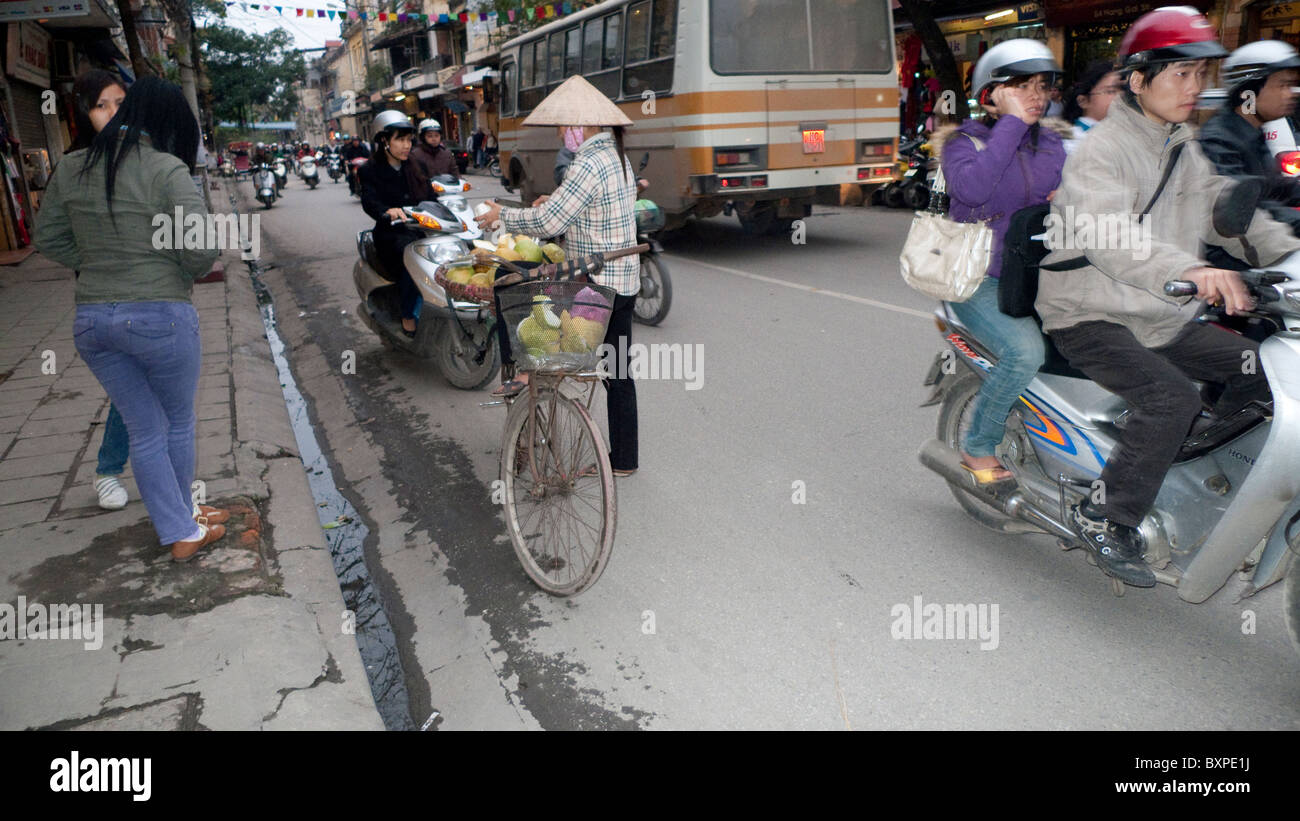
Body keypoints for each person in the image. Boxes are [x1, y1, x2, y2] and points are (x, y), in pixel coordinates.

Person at [1036, 8, 1300, 587]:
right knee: (1171, 400)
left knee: (1263, 374)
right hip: (1092, 313)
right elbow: (1111, 235)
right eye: (1179, 74)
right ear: (1138, 80)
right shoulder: (1100, 152)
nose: (1194, 87)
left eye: (1200, 73)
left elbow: (1223, 209)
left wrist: (1286, 259)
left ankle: (1181, 470)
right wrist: (1192, 269)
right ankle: (1106, 514)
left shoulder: (1183, 144)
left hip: (1160, 315)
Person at [35, 77, 231, 561]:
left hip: (93, 323)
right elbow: (202, 251)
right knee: (177, 423)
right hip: (159, 317)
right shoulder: (166, 169)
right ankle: (183, 526)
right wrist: (173, 268)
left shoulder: (71, 165)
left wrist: (98, 261)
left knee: (145, 430)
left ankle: (181, 527)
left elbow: (47, 238)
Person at [474, 75, 641, 477]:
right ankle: (624, 461)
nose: (564, 134)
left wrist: (503, 215)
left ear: (582, 126)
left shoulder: (589, 161)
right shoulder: (617, 156)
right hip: (625, 281)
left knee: (516, 294)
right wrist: (557, 202)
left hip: (596, 285)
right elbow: (584, 209)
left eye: (566, 127)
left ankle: (527, 372)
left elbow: (550, 220)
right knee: (618, 372)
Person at [934, 39, 1067, 486]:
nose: (1036, 95)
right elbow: (972, 189)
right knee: (1024, 352)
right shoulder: (961, 143)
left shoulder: (1052, 144)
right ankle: (978, 446)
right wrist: (1011, 125)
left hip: (1036, 275)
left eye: (1042, 86)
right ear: (990, 94)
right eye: (1021, 85)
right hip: (976, 278)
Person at [66, 70, 134, 511]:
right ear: (83, 114)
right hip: (106, 298)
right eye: (100, 105)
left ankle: (167, 474)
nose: (111, 114)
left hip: (157, 293)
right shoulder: (75, 167)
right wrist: (95, 264)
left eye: (118, 103)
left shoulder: (146, 156)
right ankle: (107, 471)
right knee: (130, 390)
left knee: (164, 390)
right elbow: (54, 235)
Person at [1199, 40, 1300, 265]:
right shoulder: (1219, 140)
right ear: (1249, 90)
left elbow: (1278, 188)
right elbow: (1247, 208)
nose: (1290, 93)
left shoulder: (1254, 132)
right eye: (1282, 85)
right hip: (1231, 264)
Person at [359, 110, 422, 335]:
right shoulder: (369, 170)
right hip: (390, 234)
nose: (406, 145)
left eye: (409, 140)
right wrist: (387, 212)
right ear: (384, 140)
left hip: (420, 227)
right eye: (400, 139)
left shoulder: (415, 165)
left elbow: (430, 194)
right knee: (412, 258)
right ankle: (406, 315)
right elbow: (369, 201)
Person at [1061, 59, 1122, 153]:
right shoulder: (1072, 143)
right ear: (1083, 101)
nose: (1119, 97)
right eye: (1111, 91)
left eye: (1122, 90)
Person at [406, 118, 457, 199]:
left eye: (437, 135)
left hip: (447, 194)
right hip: (425, 196)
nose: (434, 139)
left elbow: (454, 171)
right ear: (423, 137)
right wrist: (430, 185)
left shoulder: (446, 153)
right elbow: (418, 177)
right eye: (430, 136)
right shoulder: (415, 155)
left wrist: (461, 181)